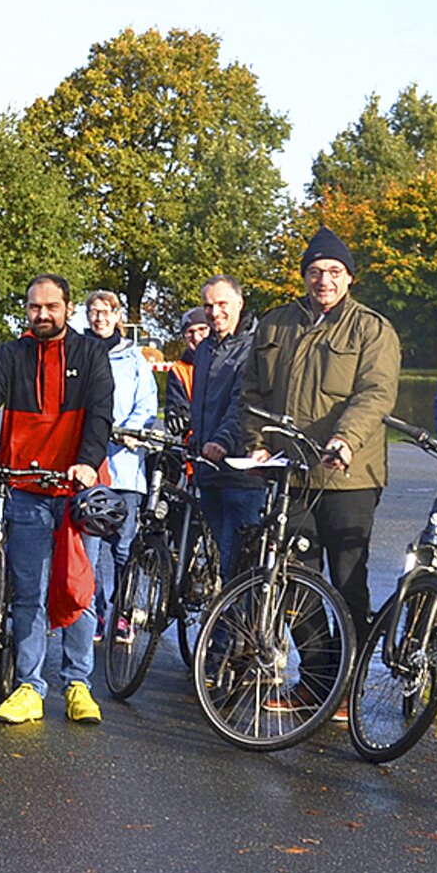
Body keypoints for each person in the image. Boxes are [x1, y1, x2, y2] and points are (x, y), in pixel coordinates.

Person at [229, 228, 402, 717]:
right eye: (315, 271)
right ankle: (320, 677)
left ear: (349, 277)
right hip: (291, 475)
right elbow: (253, 394)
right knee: (290, 580)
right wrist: (257, 445)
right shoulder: (276, 324)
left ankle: (349, 687)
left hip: (349, 476)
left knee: (348, 584)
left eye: (333, 272)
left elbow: (374, 394)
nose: (323, 279)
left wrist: (344, 438)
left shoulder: (372, 329)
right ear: (303, 276)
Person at [0, 274, 112, 727]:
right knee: (27, 592)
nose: (43, 315)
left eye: (51, 306)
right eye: (35, 307)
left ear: (68, 308)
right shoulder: (12, 355)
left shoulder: (90, 355)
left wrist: (87, 462)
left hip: (75, 487)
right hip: (25, 485)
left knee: (77, 588)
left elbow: (101, 415)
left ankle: (78, 683)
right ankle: (30, 685)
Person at [85, 290, 159, 647]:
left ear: (117, 317)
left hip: (125, 468)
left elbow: (147, 405)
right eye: (93, 312)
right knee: (91, 547)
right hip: (88, 466)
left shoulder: (134, 361)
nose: (99, 318)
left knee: (122, 547)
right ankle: (96, 612)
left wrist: (130, 430)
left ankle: (124, 613)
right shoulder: (79, 354)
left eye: (105, 312)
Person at [186, 276, 261, 577]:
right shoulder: (205, 349)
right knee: (223, 561)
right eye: (208, 305)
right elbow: (201, 406)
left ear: (239, 304)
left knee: (236, 566)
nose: (215, 312)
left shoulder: (252, 348)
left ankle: (229, 625)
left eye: (221, 304)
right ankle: (227, 622)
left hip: (239, 473)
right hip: (209, 472)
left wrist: (222, 441)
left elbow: (242, 403)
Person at [165, 309, 210, 425]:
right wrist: (174, 415)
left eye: (202, 329)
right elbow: (176, 404)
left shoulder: (228, 362)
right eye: (190, 332)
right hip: (193, 439)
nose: (196, 337)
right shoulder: (179, 370)